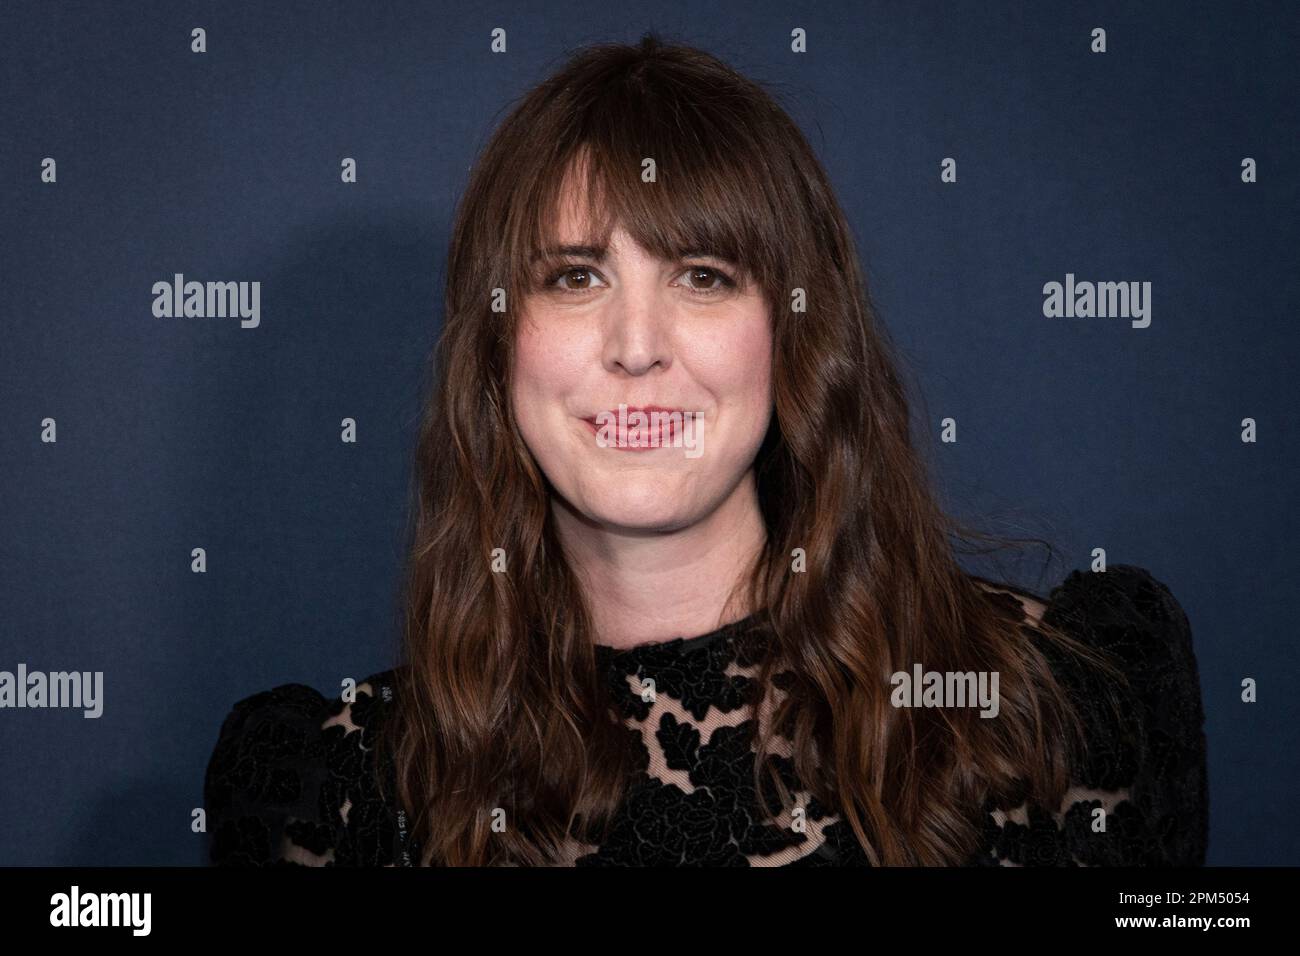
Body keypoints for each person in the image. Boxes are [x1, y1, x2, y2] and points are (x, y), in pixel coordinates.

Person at [203, 34, 1207, 867]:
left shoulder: (1054, 707)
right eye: (574, 277)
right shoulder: (343, 791)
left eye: (702, 274)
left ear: (796, 331)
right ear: (498, 342)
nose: (636, 346)